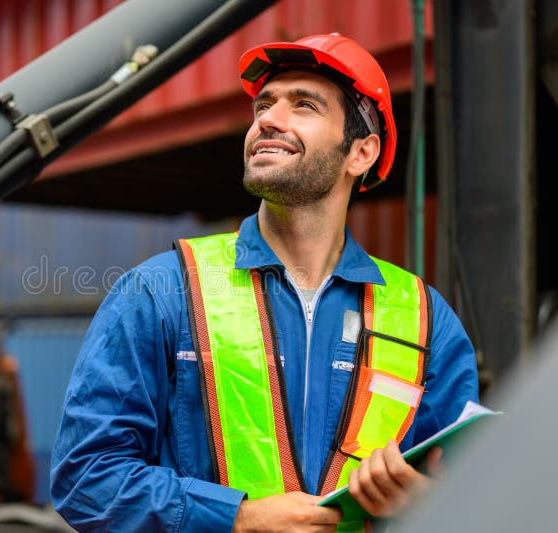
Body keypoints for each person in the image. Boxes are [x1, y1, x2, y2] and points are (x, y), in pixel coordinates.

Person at [51, 33, 479, 532]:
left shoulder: (425, 318)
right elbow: (85, 478)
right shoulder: (161, 290)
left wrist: (427, 502)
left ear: (361, 153)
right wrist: (236, 518)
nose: (268, 120)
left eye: (304, 105)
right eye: (264, 105)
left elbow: (474, 487)